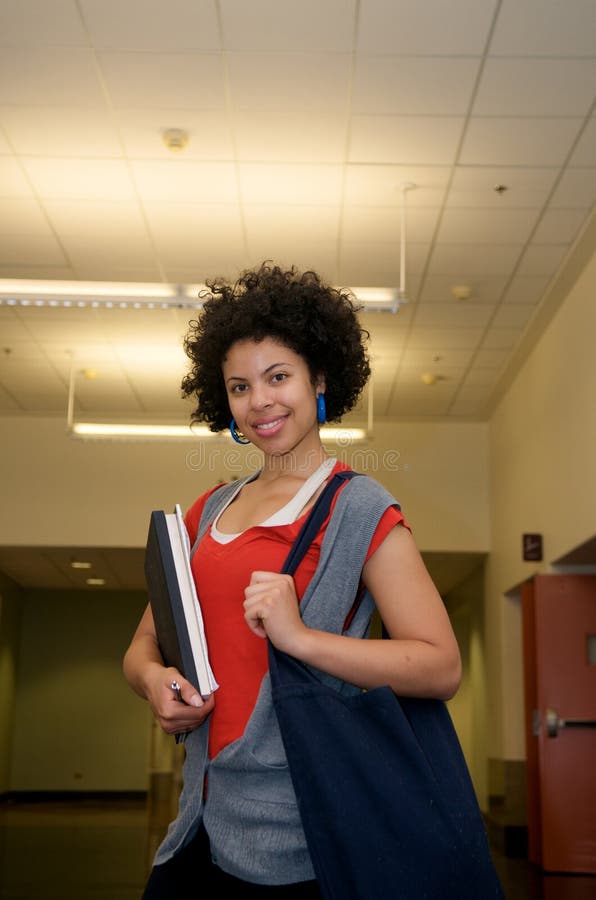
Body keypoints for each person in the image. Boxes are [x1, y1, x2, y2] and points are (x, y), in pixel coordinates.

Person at [123, 262, 462, 899]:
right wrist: (152, 681)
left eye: (279, 376)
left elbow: (439, 665)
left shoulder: (359, 506)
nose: (261, 402)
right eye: (240, 386)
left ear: (320, 379)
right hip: (197, 821)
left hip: (303, 838)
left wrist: (300, 637)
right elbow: (143, 644)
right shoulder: (206, 512)